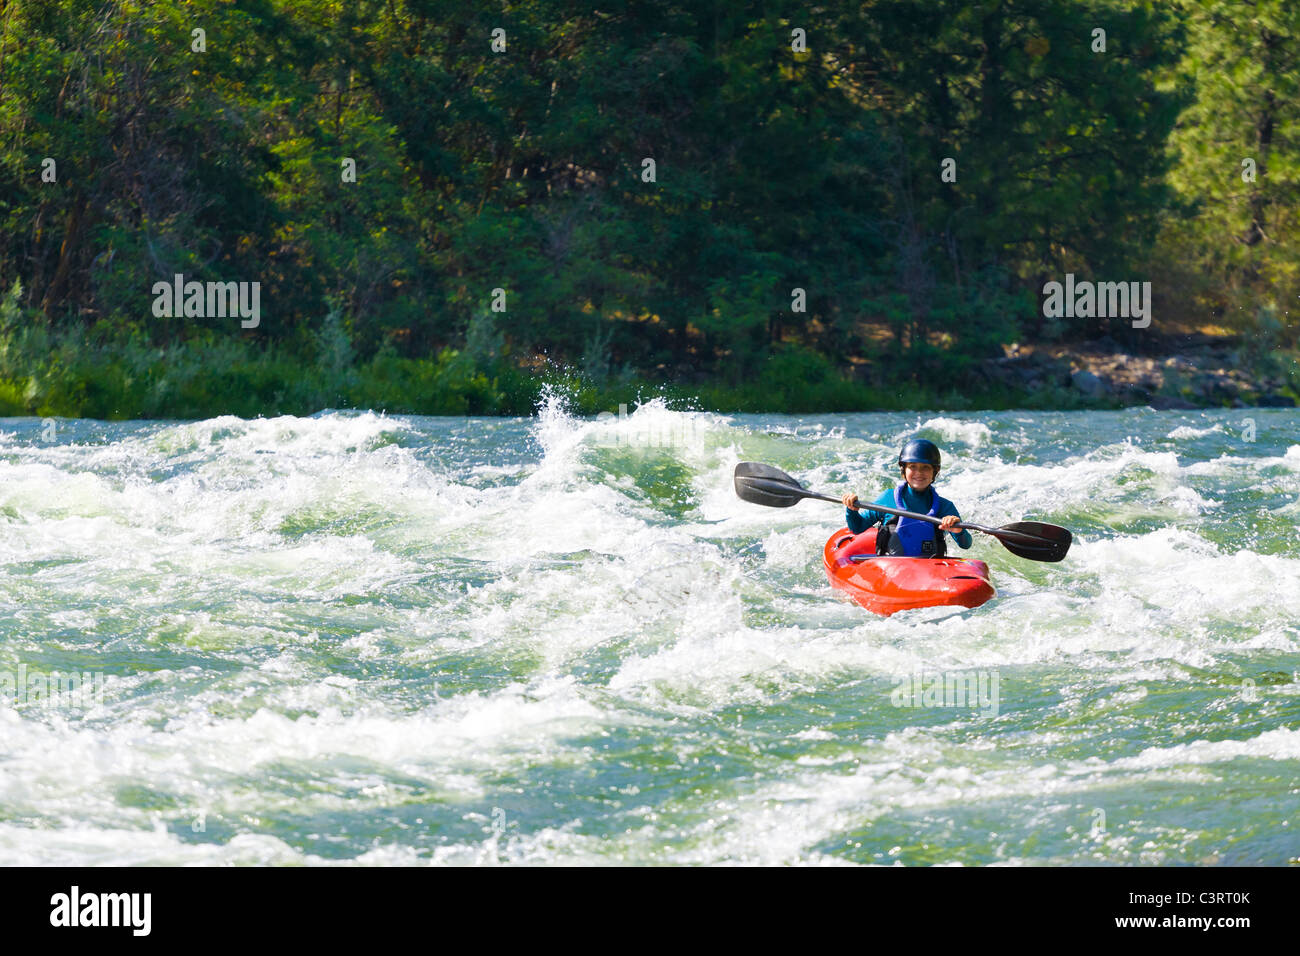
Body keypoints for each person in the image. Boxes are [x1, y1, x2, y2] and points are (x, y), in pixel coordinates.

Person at [840, 438, 973, 557]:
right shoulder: (887, 498)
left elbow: (966, 544)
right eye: (912, 467)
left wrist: (957, 530)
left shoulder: (945, 507)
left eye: (925, 467)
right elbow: (857, 528)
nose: (919, 473)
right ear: (903, 470)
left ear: (935, 471)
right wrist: (851, 509)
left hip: (930, 571)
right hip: (891, 569)